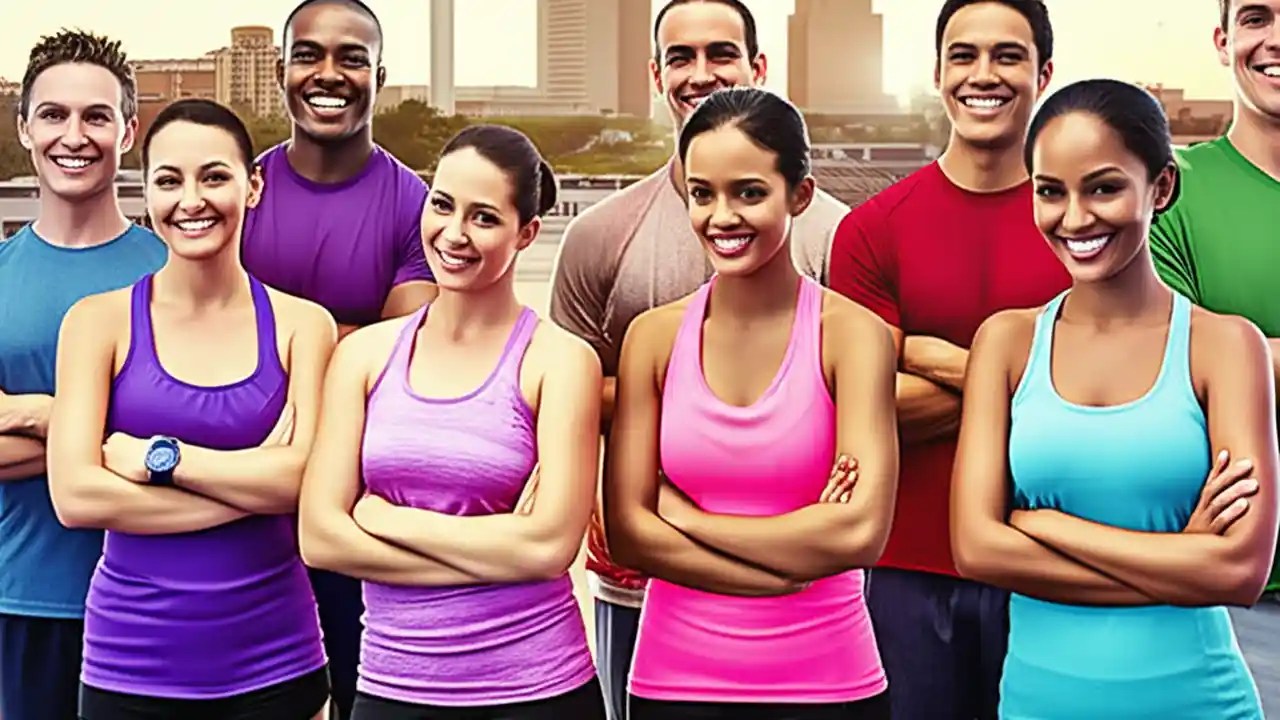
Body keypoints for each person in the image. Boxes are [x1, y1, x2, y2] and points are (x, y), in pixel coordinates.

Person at [548, 3, 849, 715]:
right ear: (656, 74)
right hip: (640, 580)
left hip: (804, 582)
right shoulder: (599, 238)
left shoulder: (832, 232)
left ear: (758, 68)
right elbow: (563, 399)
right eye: (680, 57)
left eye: (721, 53)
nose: (701, 73)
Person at [951, 77, 1274, 719]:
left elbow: (1239, 572)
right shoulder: (1006, 343)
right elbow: (975, 548)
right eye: (1051, 192)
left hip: (1200, 704)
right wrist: (1181, 561)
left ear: (1161, 188)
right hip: (1039, 705)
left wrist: (1047, 526)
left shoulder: (1227, 346)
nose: (1074, 219)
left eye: (1103, 187)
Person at [604, 86, 897, 720]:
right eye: (703, 193)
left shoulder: (852, 335)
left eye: (749, 193)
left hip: (830, 682)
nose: (722, 216)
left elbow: (861, 532)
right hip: (673, 683)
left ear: (800, 195)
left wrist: (685, 518)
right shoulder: (652, 338)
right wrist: (781, 566)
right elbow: (628, 532)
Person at [298, 123, 604, 720]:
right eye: (442, 205)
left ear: (527, 233)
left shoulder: (561, 361)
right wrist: (497, 550)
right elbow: (320, 537)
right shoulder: (365, 356)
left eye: (484, 217)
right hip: (392, 688)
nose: (454, 234)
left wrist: (384, 518)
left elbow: (549, 548)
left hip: (538, 690)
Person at [46, 98, 336, 720]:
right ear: (145, 193)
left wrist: (159, 459)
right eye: (169, 181)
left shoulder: (304, 326)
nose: (191, 200)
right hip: (130, 665)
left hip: (277, 660)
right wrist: (256, 479)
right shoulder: (96, 323)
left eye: (215, 176)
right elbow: (75, 497)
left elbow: (311, 488)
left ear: (253, 186)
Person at [826, 1, 1069, 716]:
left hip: (1051, 561)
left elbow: (1110, 391)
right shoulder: (873, 231)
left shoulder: (1082, 226)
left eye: (1008, 55)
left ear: (1044, 72)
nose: (983, 75)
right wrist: (1030, 379)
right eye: (963, 55)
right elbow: (864, 410)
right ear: (937, 73)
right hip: (907, 573)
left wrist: (920, 352)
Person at [242, 2, 437, 715]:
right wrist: (345, 332)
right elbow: (191, 334)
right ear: (281, 70)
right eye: (310, 55)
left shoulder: (415, 205)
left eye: (352, 58)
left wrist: (275, 337)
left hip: (361, 511)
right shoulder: (241, 192)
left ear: (378, 76)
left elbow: (399, 360)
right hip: (239, 508)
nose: (330, 74)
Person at [0, 30, 168, 720]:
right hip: (22, 600)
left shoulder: (175, 274)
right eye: (54, 115)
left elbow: (198, 438)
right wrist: (121, 438)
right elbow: (155, 445)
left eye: (96, 116)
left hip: (159, 603)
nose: (76, 135)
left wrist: (39, 414)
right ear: (25, 128)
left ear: (128, 130)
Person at [1150, 0, 1280, 607]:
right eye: (1258, 18)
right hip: (1231, 587)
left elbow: (1217, 360)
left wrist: (1239, 357)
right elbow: (1170, 367)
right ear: (1222, 40)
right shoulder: (1169, 192)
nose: (1276, 40)